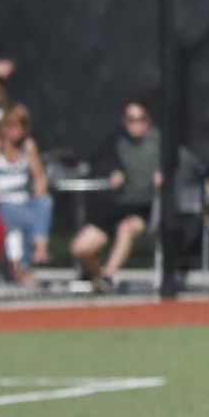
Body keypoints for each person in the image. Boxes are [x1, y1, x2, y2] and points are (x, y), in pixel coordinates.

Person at [70, 98, 159, 291]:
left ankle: (108, 276)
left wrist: (165, 175)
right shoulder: (116, 141)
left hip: (145, 209)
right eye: (130, 119)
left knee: (127, 227)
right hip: (116, 207)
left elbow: (187, 165)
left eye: (140, 119)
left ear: (148, 120)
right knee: (80, 247)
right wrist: (111, 171)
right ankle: (100, 276)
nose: (135, 124)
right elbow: (99, 164)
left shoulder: (159, 142)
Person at [0, 102, 51, 279]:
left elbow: (40, 177)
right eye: (11, 125)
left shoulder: (28, 147)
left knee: (44, 203)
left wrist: (39, 191)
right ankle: (23, 265)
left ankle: (35, 252)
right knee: (33, 219)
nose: (16, 130)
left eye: (20, 125)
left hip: (22, 202)